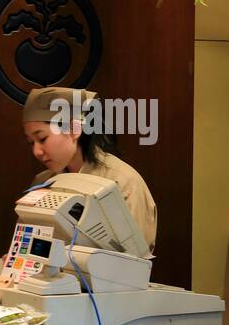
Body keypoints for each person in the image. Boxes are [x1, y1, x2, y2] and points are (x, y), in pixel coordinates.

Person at [22, 87, 157, 252]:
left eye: (42, 138)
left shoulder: (122, 182)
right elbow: (27, 243)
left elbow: (136, 259)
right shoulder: (43, 182)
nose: (36, 151)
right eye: (31, 142)